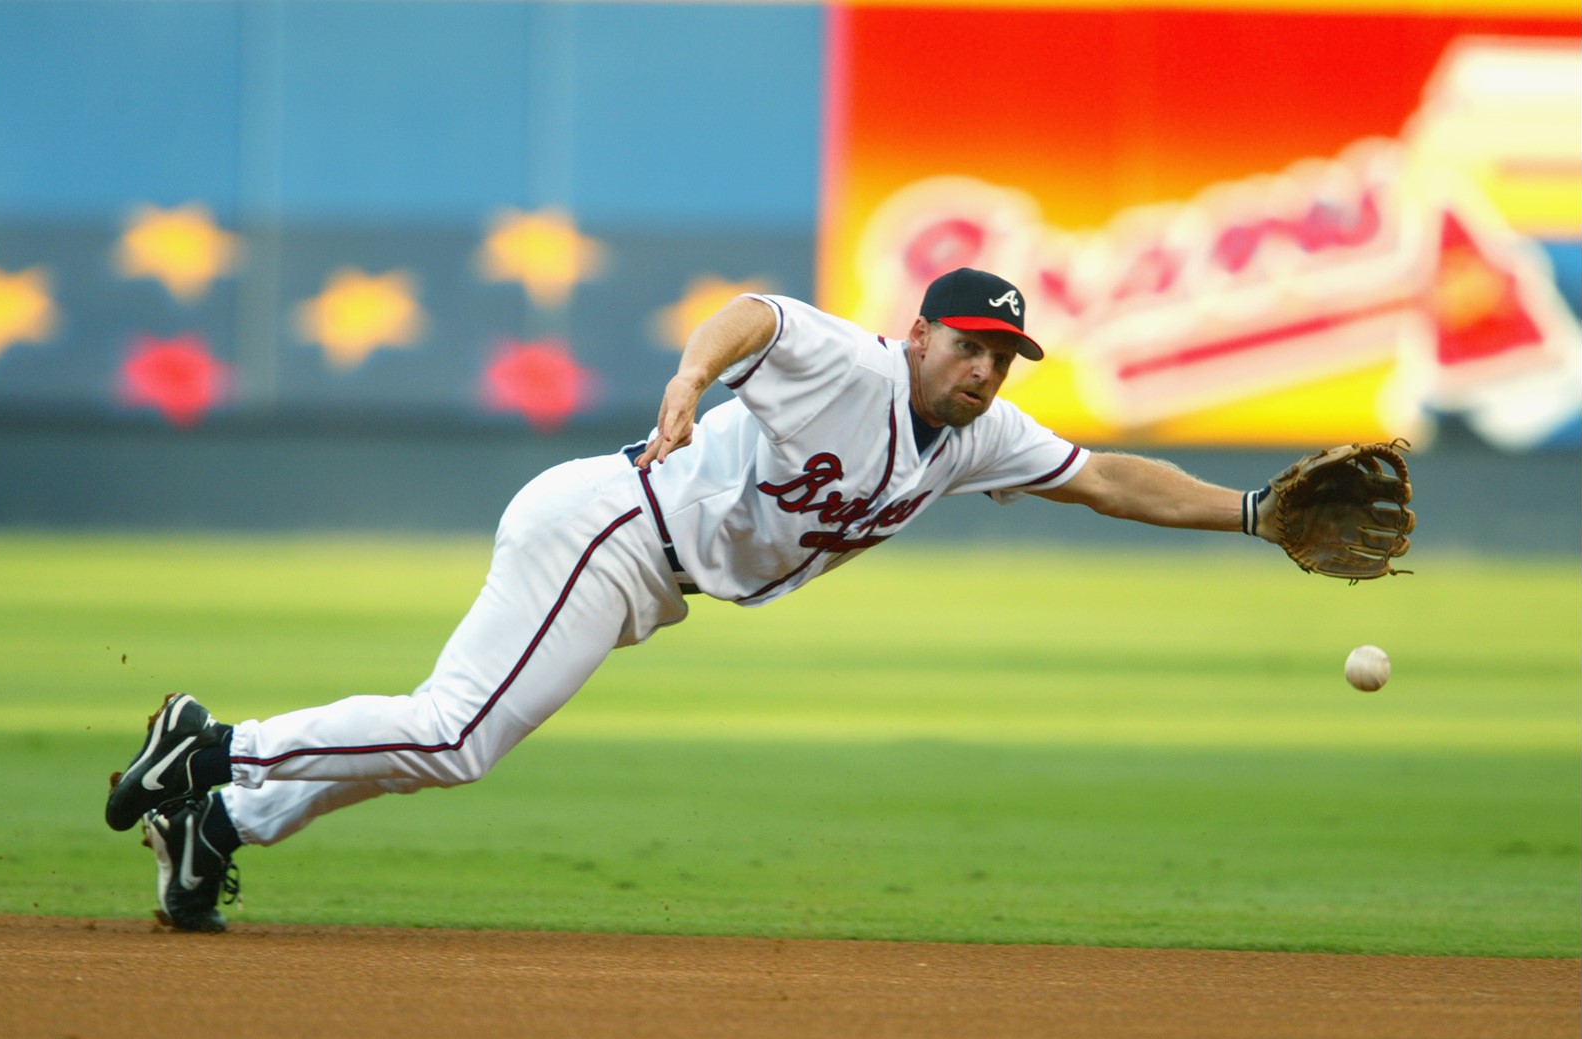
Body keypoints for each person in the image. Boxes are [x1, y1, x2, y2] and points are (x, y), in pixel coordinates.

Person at [104, 266, 1293, 932]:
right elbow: (753, 314)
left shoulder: (979, 441)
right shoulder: (854, 361)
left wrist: (1250, 513)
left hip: (644, 575)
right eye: (969, 345)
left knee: (454, 725)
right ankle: (210, 748)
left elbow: (1107, 478)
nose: (984, 370)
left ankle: (219, 827)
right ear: (920, 334)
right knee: (459, 734)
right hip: (613, 524)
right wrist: (687, 376)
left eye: (1003, 357)